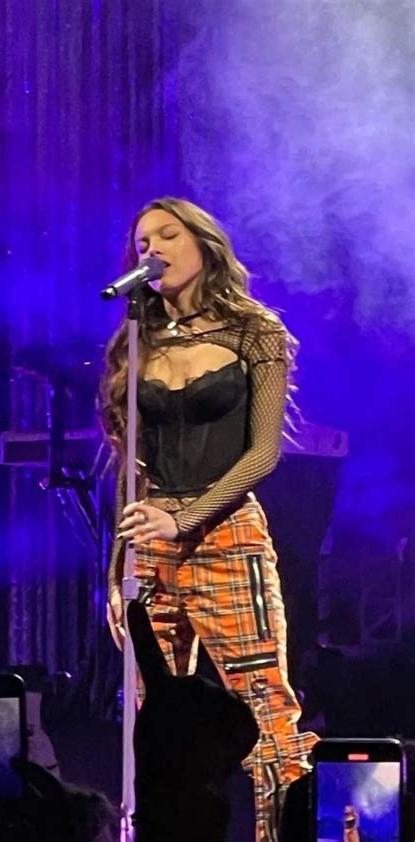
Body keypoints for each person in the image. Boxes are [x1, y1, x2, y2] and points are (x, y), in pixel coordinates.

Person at [102, 197, 318, 841]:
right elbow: (129, 464)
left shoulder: (256, 331)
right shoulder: (137, 337)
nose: (152, 249)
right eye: (141, 242)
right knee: (158, 717)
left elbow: (264, 454)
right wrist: (117, 570)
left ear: (204, 244)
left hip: (226, 534)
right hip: (150, 540)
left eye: (168, 235)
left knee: (263, 707)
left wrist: (187, 518)